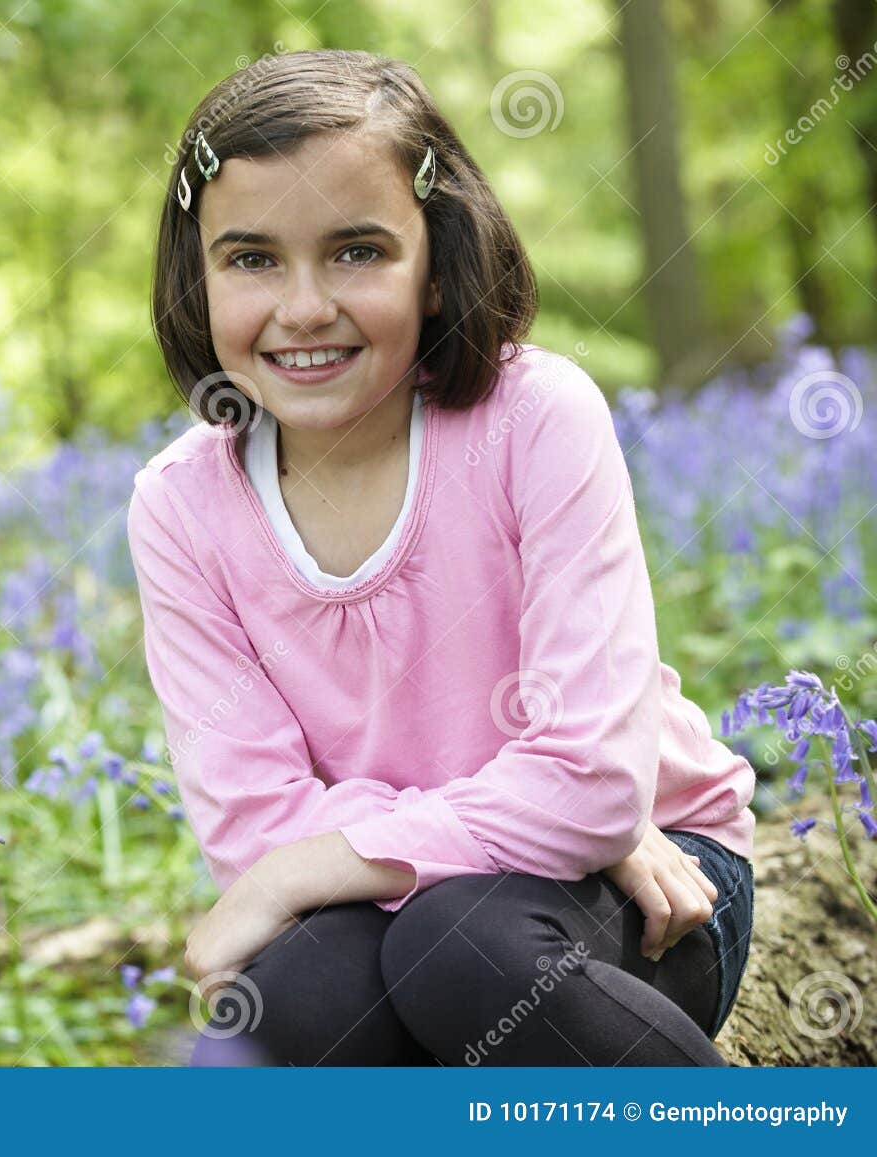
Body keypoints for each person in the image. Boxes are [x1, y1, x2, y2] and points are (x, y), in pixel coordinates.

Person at [128, 49, 755, 1067]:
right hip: (416, 897)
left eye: (356, 250)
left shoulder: (532, 419)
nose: (302, 307)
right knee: (297, 993)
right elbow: (256, 827)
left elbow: (593, 781)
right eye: (250, 259)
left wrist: (580, 827)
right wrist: (526, 821)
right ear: (193, 277)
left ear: (436, 259)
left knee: (457, 949)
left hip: (654, 886)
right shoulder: (181, 505)